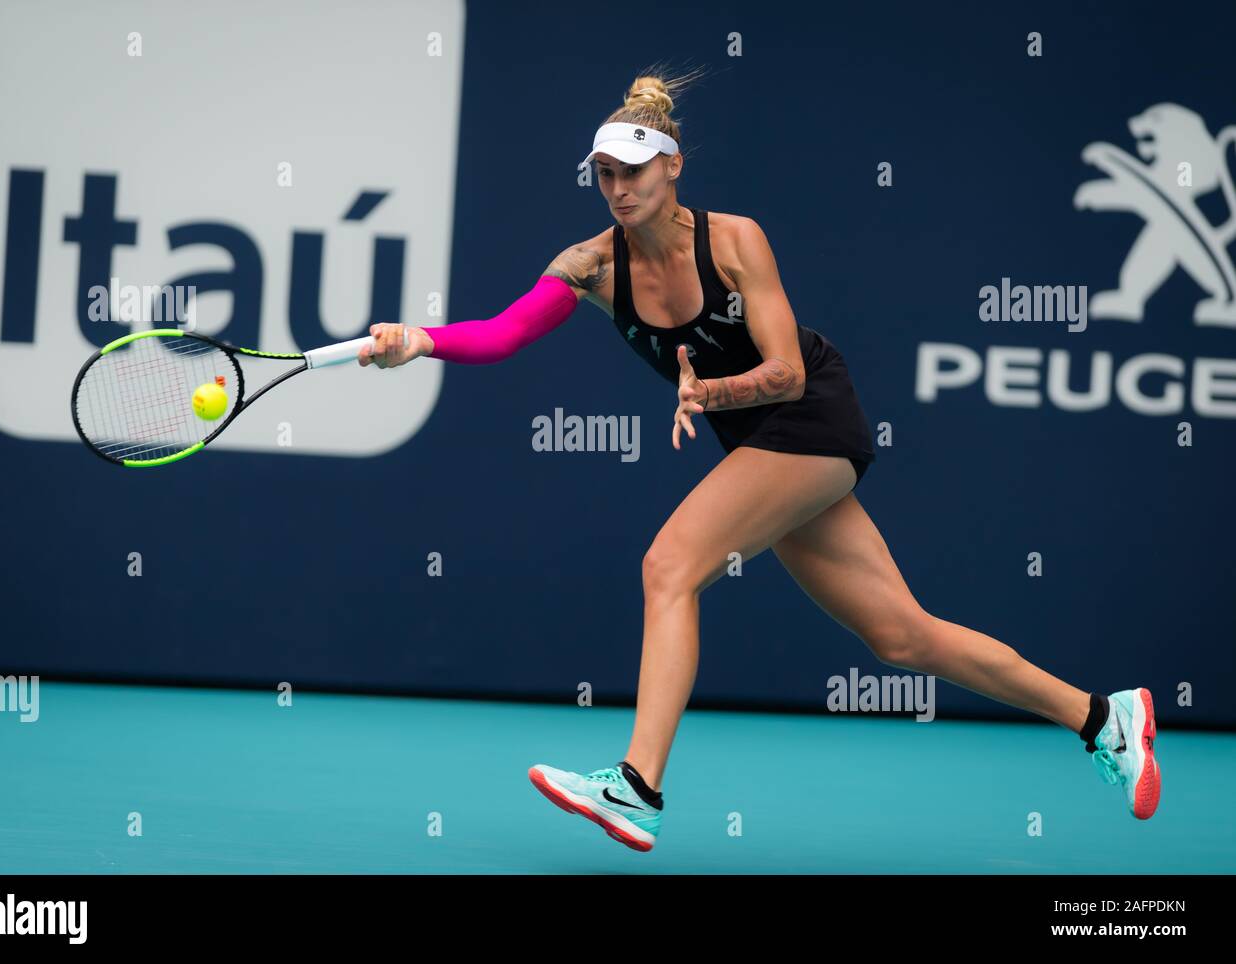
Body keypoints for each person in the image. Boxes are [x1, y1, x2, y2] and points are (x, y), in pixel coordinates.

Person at [356, 71, 1161, 853]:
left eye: (632, 171)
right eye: (603, 175)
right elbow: (503, 333)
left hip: (810, 417)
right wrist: (419, 341)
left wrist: (707, 391)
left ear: (671, 165)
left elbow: (786, 374)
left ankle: (637, 787)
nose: (617, 190)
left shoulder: (736, 241)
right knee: (903, 638)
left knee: (670, 566)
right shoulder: (591, 265)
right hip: (758, 446)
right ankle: (1102, 718)